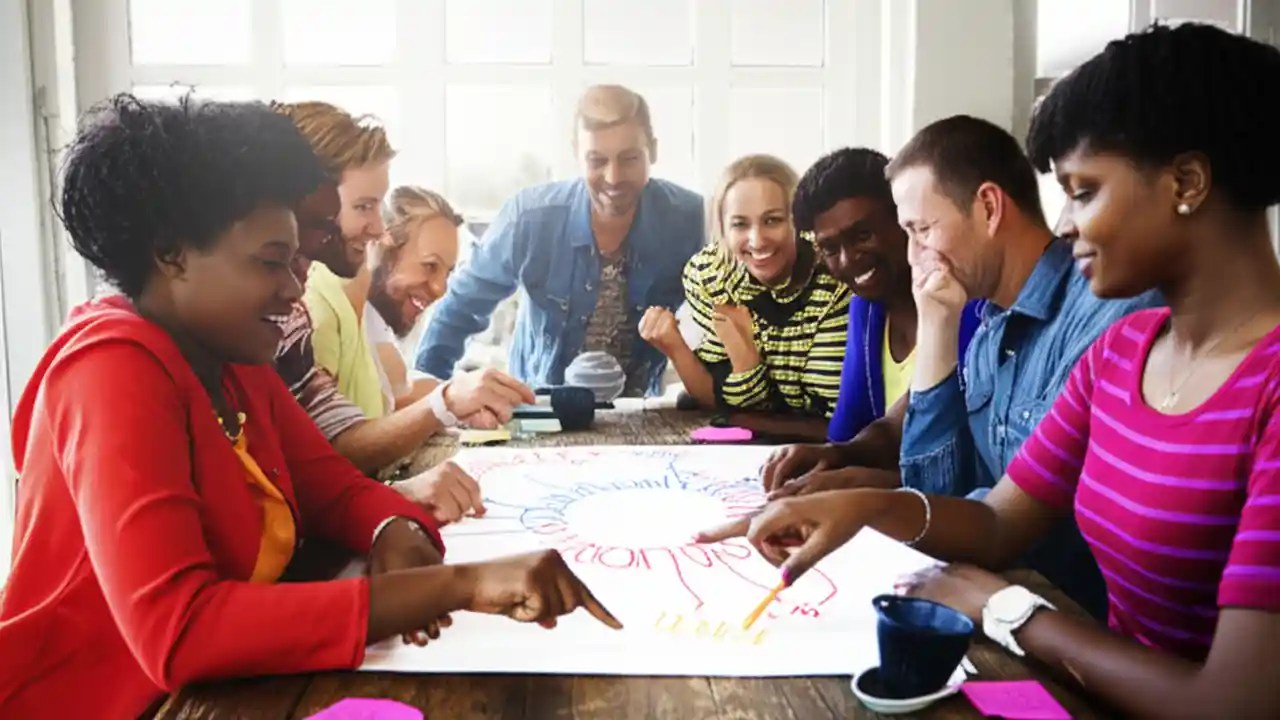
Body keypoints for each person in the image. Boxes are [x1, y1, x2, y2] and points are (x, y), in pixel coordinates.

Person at [702, 23, 1280, 718]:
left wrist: (1004, 608)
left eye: (1085, 191)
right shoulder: (1122, 355)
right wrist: (858, 506)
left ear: (1187, 182)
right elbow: (998, 522)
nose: (1064, 224)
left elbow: (1237, 700)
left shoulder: (1264, 387)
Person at [0, 96, 618, 719]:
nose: (295, 287)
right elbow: (182, 630)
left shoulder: (232, 357)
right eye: (272, 263)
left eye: (295, 261)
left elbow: (331, 487)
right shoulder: (110, 371)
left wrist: (394, 530)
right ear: (171, 253)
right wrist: (461, 584)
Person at [272, 101, 534, 483]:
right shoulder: (313, 305)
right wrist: (444, 404)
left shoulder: (307, 306)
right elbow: (327, 456)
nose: (380, 228)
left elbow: (330, 435)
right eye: (363, 206)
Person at [414, 85, 704, 397]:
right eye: (597, 160)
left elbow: (727, 311)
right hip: (539, 408)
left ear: (654, 151)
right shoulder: (529, 217)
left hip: (638, 412)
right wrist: (430, 408)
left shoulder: (690, 219)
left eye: (630, 158)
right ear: (577, 154)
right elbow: (460, 310)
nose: (613, 177)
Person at [639, 155, 850, 441]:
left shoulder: (834, 278)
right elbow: (719, 398)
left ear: (797, 222)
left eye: (772, 220)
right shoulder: (710, 275)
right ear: (723, 230)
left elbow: (834, 422)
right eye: (740, 224)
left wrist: (744, 368)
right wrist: (742, 359)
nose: (757, 240)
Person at [789, 148, 984, 445]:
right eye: (830, 249)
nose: (847, 260)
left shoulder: (971, 306)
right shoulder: (865, 311)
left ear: (904, 220)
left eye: (863, 235)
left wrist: (849, 464)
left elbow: (956, 448)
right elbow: (845, 433)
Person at [365, 186, 464, 412]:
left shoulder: (374, 321)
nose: (440, 288)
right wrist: (455, 395)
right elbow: (399, 393)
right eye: (430, 266)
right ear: (383, 244)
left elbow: (403, 385)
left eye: (448, 273)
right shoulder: (348, 314)